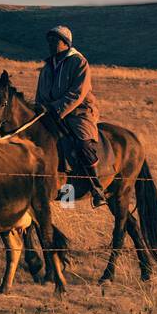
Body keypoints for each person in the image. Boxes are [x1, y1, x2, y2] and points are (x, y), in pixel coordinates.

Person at [35, 25, 108, 207]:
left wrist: (56, 109)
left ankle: (96, 187)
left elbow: (78, 93)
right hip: (50, 113)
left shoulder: (79, 62)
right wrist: (39, 110)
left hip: (78, 113)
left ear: (66, 43)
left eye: (55, 40)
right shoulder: (47, 67)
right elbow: (40, 94)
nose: (51, 44)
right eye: (49, 40)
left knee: (82, 143)